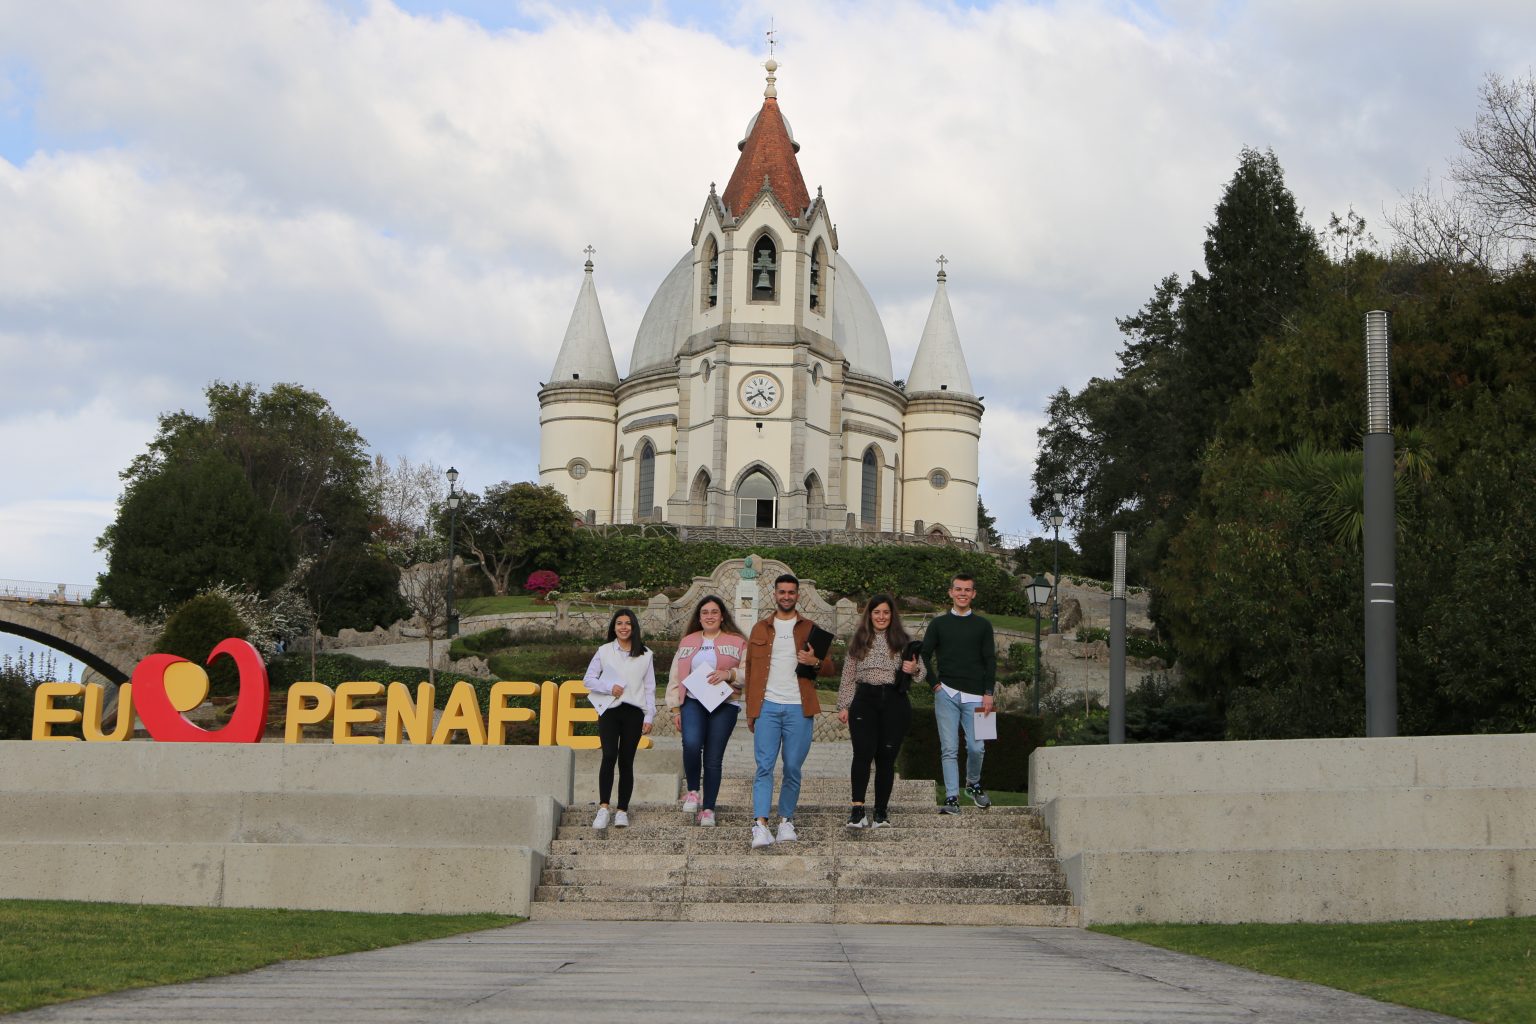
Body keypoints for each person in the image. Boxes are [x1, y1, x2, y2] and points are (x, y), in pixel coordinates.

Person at [743, 574, 835, 849]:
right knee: (764, 767)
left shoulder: (810, 628)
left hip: (799, 707)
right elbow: (749, 671)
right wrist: (751, 710)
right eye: (782, 591)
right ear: (775, 594)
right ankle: (760, 825)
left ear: (797, 595)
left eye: (791, 592)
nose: (786, 596)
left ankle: (785, 820)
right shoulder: (760, 629)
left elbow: (830, 668)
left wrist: (815, 660)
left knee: (793, 768)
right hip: (768, 706)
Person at [837, 594, 924, 829]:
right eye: (877, 612)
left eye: (886, 612)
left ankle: (881, 812)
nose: (881, 617)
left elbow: (921, 674)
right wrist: (844, 705)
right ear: (870, 615)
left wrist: (914, 669)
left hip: (894, 701)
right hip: (865, 700)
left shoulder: (904, 641)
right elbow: (848, 677)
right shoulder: (859, 641)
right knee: (862, 754)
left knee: (886, 759)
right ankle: (857, 810)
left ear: (892, 615)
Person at [665, 595, 747, 826]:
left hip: (725, 704)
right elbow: (675, 675)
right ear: (699, 618)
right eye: (705, 612)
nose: (709, 616)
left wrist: (729, 674)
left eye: (714, 612)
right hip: (692, 700)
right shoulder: (688, 641)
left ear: (722, 616)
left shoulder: (737, 641)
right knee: (691, 744)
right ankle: (693, 790)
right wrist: (675, 708)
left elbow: (749, 672)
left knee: (713, 758)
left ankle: (709, 809)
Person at [921, 573, 996, 814]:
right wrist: (934, 685)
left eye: (967, 590)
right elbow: (923, 655)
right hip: (947, 694)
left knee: (978, 748)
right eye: (958, 589)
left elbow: (990, 660)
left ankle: (973, 785)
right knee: (949, 748)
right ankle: (952, 798)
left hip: (980, 697)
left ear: (973, 594)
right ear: (950, 592)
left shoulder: (984, 625)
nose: (962, 593)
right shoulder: (938, 624)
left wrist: (989, 692)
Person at [583, 608, 655, 830]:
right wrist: (607, 688)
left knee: (626, 761)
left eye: (628, 623)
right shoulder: (604, 651)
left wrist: (649, 715)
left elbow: (650, 687)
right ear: (613, 627)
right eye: (619, 623)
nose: (623, 627)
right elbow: (589, 679)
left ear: (634, 627)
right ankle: (604, 808)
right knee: (609, 756)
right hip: (610, 711)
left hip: (634, 711)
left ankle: (622, 810)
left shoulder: (646, 654)